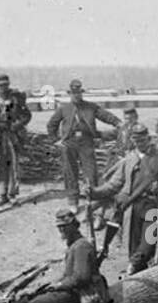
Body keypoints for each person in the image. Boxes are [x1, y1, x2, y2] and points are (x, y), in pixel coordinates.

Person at [15, 208, 110, 303]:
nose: (61, 230)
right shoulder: (74, 245)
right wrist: (55, 283)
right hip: (76, 291)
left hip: (84, 294)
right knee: (44, 299)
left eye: (64, 226)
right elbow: (71, 275)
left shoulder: (81, 246)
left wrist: (60, 285)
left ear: (74, 226)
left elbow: (81, 277)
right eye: (59, 227)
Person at [90, 126, 158, 272]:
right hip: (131, 208)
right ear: (133, 140)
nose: (140, 144)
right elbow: (113, 185)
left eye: (143, 140)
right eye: (137, 140)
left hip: (152, 206)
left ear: (148, 138)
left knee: (147, 243)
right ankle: (136, 276)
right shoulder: (129, 160)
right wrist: (94, 193)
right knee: (133, 248)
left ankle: (135, 266)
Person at [46, 78, 121, 213]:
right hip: (69, 143)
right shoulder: (64, 108)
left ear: (81, 93)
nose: (77, 95)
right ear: (70, 94)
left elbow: (105, 115)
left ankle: (93, 199)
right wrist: (55, 140)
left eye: (79, 92)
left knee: (91, 171)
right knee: (70, 172)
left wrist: (118, 123)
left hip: (86, 142)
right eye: (74, 93)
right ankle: (73, 201)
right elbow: (51, 125)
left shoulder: (90, 107)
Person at [0, 73, 31, 201]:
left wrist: (17, 125)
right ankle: (1, 192)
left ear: (8, 84)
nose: (3, 87)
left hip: (12, 133)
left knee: (13, 162)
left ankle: (12, 191)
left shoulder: (16, 98)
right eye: (1, 85)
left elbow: (27, 115)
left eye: (5, 85)